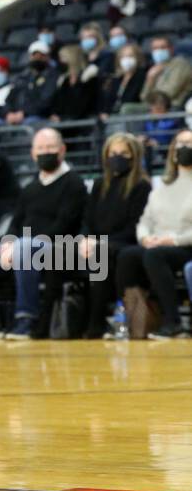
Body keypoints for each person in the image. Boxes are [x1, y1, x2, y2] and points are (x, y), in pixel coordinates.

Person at [0, 128, 86, 341]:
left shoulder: (74, 183)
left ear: (62, 150)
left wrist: (20, 245)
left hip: (58, 249)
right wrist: (7, 243)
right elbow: (15, 223)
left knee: (25, 246)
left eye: (50, 148)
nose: (45, 152)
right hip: (22, 247)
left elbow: (65, 225)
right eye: (40, 148)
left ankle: (27, 318)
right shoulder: (30, 188)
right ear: (33, 153)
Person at [116, 129, 192, 339]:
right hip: (157, 245)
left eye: (189, 143)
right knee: (128, 255)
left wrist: (174, 240)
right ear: (172, 151)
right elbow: (144, 221)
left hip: (185, 246)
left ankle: (173, 321)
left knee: (154, 256)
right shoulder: (161, 187)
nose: (184, 148)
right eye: (180, 144)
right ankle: (133, 318)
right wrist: (145, 237)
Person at [81, 133, 150, 338]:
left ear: (134, 156)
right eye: (113, 153)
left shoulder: (141, 186)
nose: (117, 158)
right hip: (96, 243)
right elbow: (87, 219)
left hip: (123, 243)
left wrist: (98, 242)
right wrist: (84, 238)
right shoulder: (99, 184)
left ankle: (97, 322)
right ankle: (55, 320)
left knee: (101, 254)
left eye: (123, 153)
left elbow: (135, 226)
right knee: (58, 252)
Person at [3, 41, 58, 125]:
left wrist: (24, 113)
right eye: (34, 55)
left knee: (30, 123)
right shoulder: (23, 77)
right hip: (17, 116)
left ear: (47, 57)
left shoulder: (52, 76)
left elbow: (45, 102)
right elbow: (9, 98)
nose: (37, 58)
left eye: (41, 56)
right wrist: (9, 113)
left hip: (38, 116)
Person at [50, 44, 100, 124]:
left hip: (84, 121)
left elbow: (86, 102)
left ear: (72, 59)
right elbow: (58, 102)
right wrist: (55, 114)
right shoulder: (64, 80)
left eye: (63, 58)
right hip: (64, 121)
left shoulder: (89, 77)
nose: (60, 61)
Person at [142, 37, 192, 108]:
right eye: (155, 48)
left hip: (172, 106)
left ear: (171, 49)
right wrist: (150, 79)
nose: (159, 51)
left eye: (162, 48)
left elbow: (169, 93)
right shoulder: (154, 68)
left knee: (128, 109)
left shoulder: (180, 64)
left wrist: (150, 97)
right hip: (153, 105)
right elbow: (143, 97)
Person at [100, 41, 147, 116]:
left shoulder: (142, 75)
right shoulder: (117, 79)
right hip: (114, 116)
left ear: (138, 58)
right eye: (123, 57)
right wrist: (105, 112)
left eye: (130, 56)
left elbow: (133, 98)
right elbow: (110, 100)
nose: (127, 59)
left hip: (133, 115)